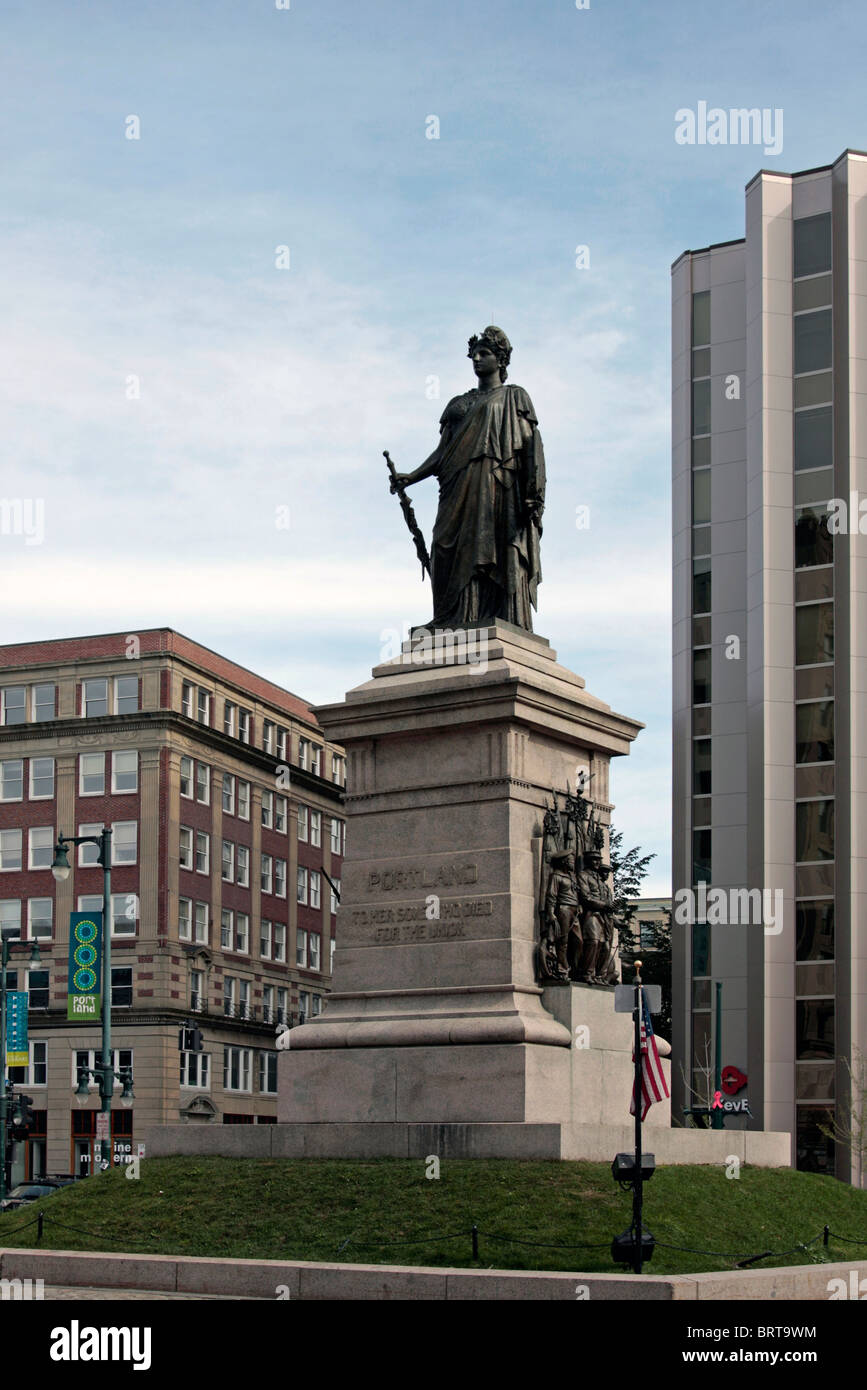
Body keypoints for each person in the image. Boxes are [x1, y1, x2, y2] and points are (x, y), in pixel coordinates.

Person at [390, 327, 545, 630]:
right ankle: (450, 618)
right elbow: (442, 452)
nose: (476, 358)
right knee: (443, 546)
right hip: (456, 486)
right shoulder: (458, 404)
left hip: (496, 485)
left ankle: (489, 616)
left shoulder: (515, 397)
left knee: (487, 548)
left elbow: (530, 446)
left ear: (501, 359)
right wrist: (411, 477)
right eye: (474, 353)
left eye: (484, 353)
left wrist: (532, 495)